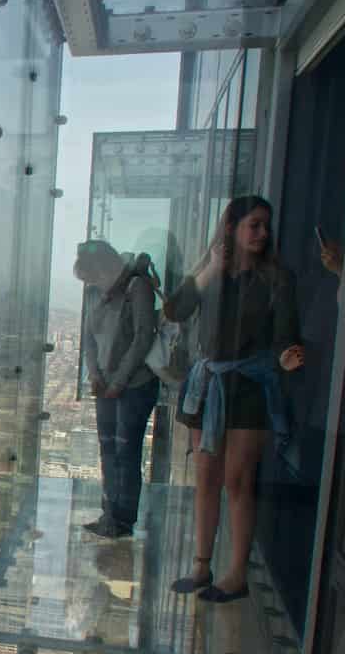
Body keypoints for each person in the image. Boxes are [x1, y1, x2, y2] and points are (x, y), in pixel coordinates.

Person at [165, 196, 305, 602]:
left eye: (265, 225)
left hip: (250, 386)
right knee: (206, 478)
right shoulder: (212, 273)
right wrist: (211, 269)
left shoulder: (277, 278)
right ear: (231, 228)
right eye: (254, 225)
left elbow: (286, 335)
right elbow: (174, 310)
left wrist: (285, 359)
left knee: (238, 482)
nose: (262, 233)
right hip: (209, 383)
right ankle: (201, 564)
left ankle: (236, 573)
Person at [77, 240, 159, 538]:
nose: (94, 283)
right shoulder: (92, 292)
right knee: (108, 449)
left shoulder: (137, 288)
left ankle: (123, 519)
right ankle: (109, 513)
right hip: (107, 384)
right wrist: (95, 374)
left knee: (127, 451)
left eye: (95, 276)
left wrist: (118, 382)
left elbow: (142, 339)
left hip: (135, 385)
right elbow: (88, 337)